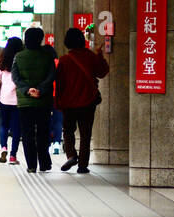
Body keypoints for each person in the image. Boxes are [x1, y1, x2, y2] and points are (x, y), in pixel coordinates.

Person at [55, 27, 110, 174]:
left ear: (67, 42)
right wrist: (100, 56)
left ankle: (72, 155)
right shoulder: (91, 57)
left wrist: (58, 101)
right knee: (86, 133)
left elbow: (59, 83)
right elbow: (102, 72)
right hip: (88, 101)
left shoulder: (64, 60)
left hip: (69, 102)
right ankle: (83, 165)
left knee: (68, 130)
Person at [12, 27, 58, 172]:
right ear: (41, 39)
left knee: (27, 133)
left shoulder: (18, 57)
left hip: (25, 102)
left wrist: (27, 90)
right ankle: (44, 163)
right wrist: (40, 90)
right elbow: (52, 76)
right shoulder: (47, 56)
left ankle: (31, 165)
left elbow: (15, 77)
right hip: (43, 101)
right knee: (43, 133)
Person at [0, 36, 24, 164]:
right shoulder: (22, 60)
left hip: (4, 99)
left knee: (4, 124)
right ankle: (13, 156)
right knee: (16, 129)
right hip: (18, 99)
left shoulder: (2, 61)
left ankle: (3, 148)